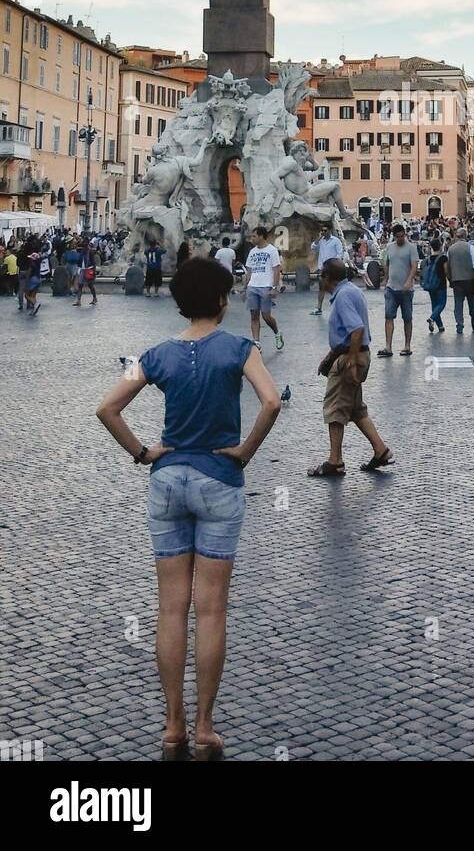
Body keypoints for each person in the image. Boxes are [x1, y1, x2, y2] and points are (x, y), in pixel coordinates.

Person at [95, 256, 281, 760]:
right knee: (212, 609)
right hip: (219, 480)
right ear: (222, 301)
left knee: (170, 608)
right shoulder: (241, 347)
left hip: (168, 480)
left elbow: (107, 408)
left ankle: (172, 724)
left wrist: (142, 452)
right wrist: (244, 452)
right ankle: (204, 726)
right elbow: (270, 402)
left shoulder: (154, 354)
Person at [308, 258, 393, 476]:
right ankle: (380, 450)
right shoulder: (350, 290)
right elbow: (347, 334)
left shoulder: (343, 296)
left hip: (350, 358)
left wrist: (352, 363)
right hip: (352, 354)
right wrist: (329, 357)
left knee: (335, 410)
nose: (320, 279)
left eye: (321, 276)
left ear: (327, 277)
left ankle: (335, 461)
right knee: (355, 409)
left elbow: (356, 330)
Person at [242, 227, 285, 353]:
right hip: (253, 286)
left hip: (266, 286)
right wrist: (245, 288)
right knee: (254, 315)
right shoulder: (252, 252)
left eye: (254, 236)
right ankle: (256, 342)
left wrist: (274, 287)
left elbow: (276, 269)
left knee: (266, 316)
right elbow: (249, 271)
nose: (252, 238)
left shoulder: (272, 250)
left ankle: (277, 332)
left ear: (261, 236)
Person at [378, 223, 418, 357]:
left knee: (407, 318)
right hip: (391, 288)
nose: (400, 239)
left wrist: (409, 281)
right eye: (398, 237)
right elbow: (387, 263)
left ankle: (407, 346)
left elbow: (414, 266)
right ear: (394, 236)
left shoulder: (411, 248)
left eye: (402, 236)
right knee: (388, 316)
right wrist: (386, 278)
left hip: (407, 290)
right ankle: (388, 347)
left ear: (405, 234)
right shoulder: (389, 247)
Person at [447, 228, 474, 333]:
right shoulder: (470, 247)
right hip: (469, 279)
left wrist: (450, 279)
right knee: (472, 302)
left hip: (456, 280)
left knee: (458, 304)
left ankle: (459, 324)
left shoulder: (450, 249)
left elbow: (448, 265)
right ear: (466, 236)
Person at [310, 229, 345, 315]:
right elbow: (313, 247)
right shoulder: (321, 241)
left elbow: (340, 253)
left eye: (325, 230)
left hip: (332, 268)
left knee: (335, 288)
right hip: (322, 268)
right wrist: (318, 238)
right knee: (321, 288)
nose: (323, 232)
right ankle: (319, 308)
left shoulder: (336, 241)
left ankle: (338, 307)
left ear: (329, 231)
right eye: (322, 230)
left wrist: (334, 264)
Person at [423, 237, 448, 333]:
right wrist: (449, 279)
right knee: (442, 303)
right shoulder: (443, 258)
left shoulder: (428, 259)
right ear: (440, 246)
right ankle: (432, 318)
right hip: (440, 283)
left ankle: (440, 326)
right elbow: (446, 270)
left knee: (434, 304)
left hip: (430, 284)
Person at [74, 238, 99, 308]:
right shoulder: (82, 250)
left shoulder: (90, 251)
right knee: (80, 285)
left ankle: (95, 298)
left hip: (88, 269)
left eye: (84, 242)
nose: (83, 243)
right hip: (83, 269)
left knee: (90, 285)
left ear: (87, 243)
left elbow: (93, 262)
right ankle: (78, 301)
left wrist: (94, 271)